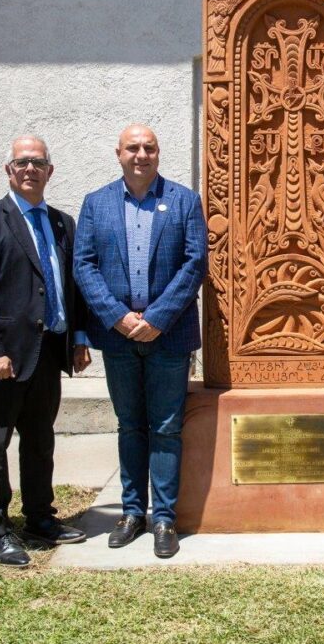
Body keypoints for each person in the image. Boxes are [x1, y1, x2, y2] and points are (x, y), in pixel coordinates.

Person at [73, 124, 207, 558]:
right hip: (118, 337)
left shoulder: (184, 200)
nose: (141, 154)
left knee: (166, 428)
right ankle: (133, 512)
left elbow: (194, 263)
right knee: (130, 425)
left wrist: (158, 319)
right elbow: (85, 265)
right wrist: (117, 317)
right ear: (119, 153)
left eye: (149, 147)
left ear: (158, 153)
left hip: (167, 337)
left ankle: (164, 518)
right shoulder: (97, 203)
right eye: (133, 148)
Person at [0, 135, 92, 567]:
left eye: (38, 162)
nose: (30, 169)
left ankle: (40, 518)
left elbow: (69, 289)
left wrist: (76, 339)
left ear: (50, 171)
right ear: (8, 170)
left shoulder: (61, 223)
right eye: (21, 162)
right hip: (3, 358)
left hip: (49, 353)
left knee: (39, 441)